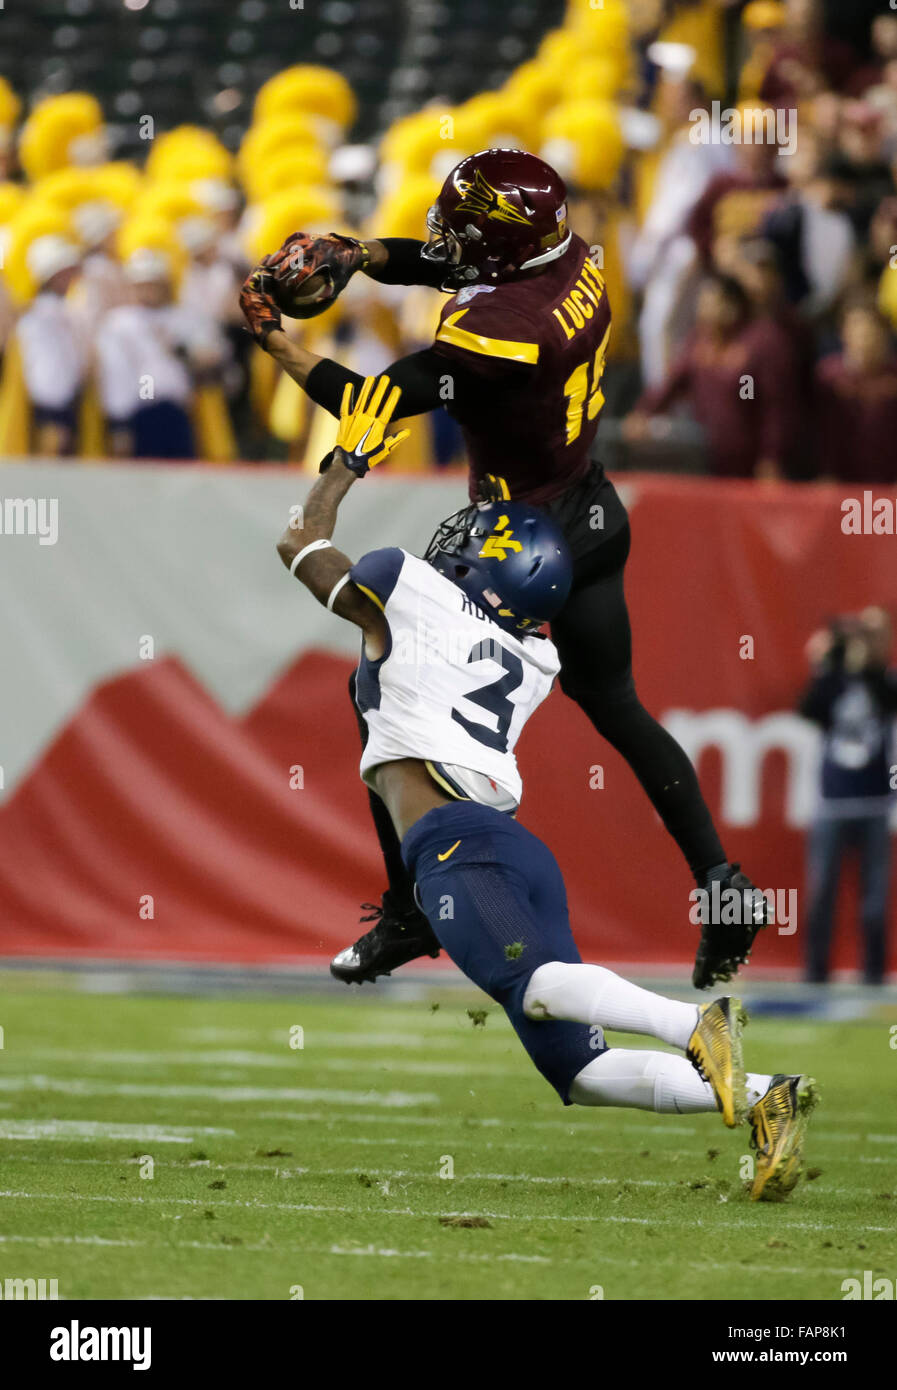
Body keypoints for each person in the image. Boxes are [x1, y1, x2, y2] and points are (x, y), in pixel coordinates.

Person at [275, 373, 818, 1202]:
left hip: (458, 845)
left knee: (532, 992)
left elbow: (299, 542)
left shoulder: (407, 589)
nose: (460, 536)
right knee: (583, 1073)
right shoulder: (534, 655)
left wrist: (346, 461)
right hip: (506, 847)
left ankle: (695, 1024)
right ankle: (761, 1097)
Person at [240, 148, 767, 993]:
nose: (444, 240)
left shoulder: (504, 329)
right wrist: (364, 254)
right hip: (591, 509)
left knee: (379, 679)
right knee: (618, 706)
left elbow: (363, 401)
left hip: (519, 544)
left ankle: (415, 912)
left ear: (506, 244)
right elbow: (459, 263)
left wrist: (271, 339)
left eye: (465, 230)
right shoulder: (572, 255)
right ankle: (721, 883)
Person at [798, 608, 897, 984]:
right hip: (832, 801)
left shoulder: (884, 680)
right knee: (821, 893)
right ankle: (815, 973)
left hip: (874, 803)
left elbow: (888, 700)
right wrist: (827, 664)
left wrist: (867, 665)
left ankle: (873, 974)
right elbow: (808, 708)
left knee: (874, 899)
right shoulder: (834, 681)